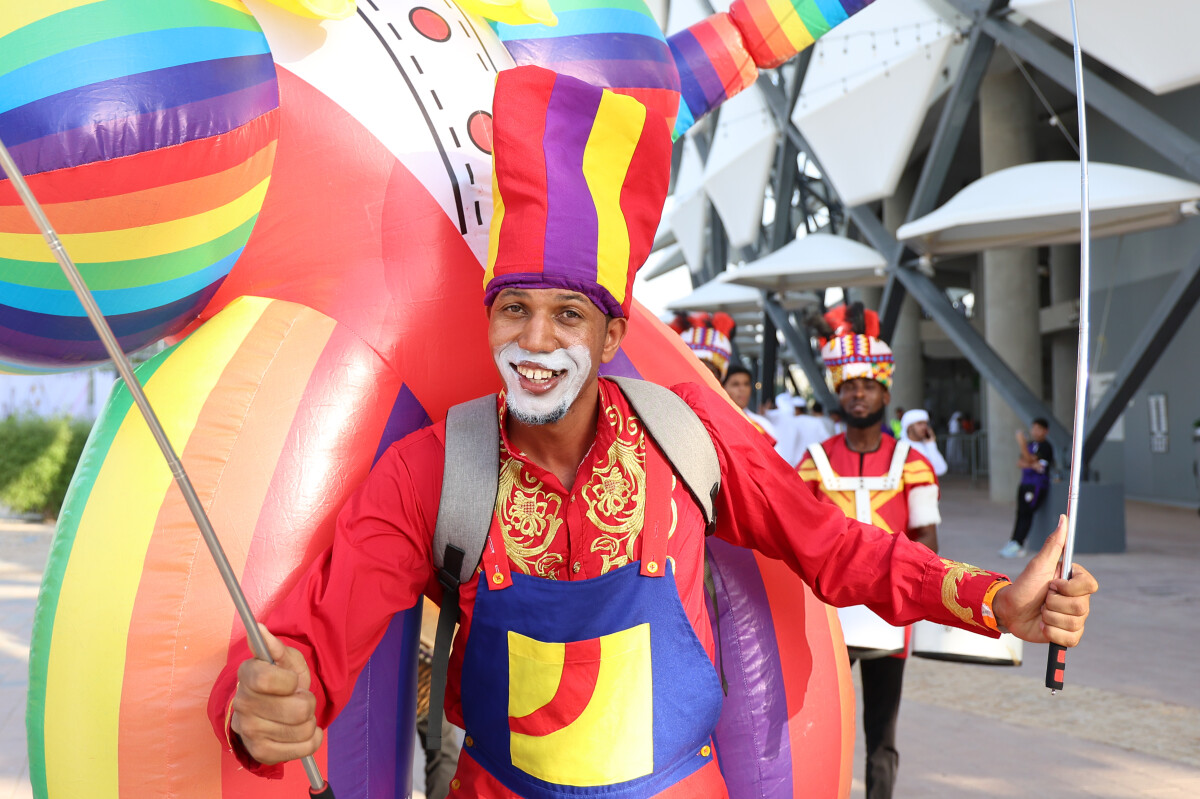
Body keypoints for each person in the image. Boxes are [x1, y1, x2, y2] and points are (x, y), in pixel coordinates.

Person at [210, 67, 1097, 799]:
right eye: (514, 309)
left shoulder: (687, 437)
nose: (537, 340)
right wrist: (268, 703)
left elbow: (834, 548)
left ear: (611, 335)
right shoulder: (434, 470)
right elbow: (313, 638)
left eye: (569, 314)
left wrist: (993, 602)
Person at [797, 330, 941, 799]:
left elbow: (927, 539)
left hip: (890, 617)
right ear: (838, 393)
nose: (857, 395)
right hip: (827, 616)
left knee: (882, 736)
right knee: (819, 727)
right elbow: (796, 532)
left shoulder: (913, 462)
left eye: (867, 386)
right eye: (848, 386)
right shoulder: (815, 460)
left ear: (885, 392)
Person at [1000, 418, 1055, 558]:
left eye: (1038, 429)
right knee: (1020, 513)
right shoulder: (1030, 445)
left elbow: (1030, 460)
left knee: (1027, 513)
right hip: (1024, 483)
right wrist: (1032, 463)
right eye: (1033, 428)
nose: (1035, 432)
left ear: (1045, 431)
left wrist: (1021, 443)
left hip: (1036, 485)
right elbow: (1021, 462)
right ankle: (1013, 541)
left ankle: (1019, 543)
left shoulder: (1045, 446)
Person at [721, 363, 778, 445]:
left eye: (746, 384)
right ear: (723, 387)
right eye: (735, 384)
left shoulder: (763, 425)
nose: (742, 389)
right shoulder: (716, 421)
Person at [901, 408, 948, 477]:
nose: (924, 427)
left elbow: (941, 470)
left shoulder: (928, 445)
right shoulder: (900, 447)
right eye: (920, 424)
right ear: (909, 427)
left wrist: (931, 444)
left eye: (925, 424)